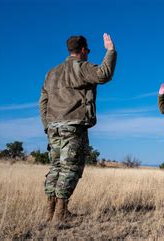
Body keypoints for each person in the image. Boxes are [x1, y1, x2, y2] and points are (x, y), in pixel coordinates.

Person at [39, 33, 117, 223]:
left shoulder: (52, 72)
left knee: (56, 167)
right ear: (82, 50)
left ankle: (51, 211)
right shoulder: (81, 67)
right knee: (71, 168)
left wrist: (47, 125)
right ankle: (60, 212)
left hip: (53, 127)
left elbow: (43, 101)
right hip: (72, 126)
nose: (88, 54)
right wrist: (110, 51)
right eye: (88, 51)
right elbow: (103, 74)